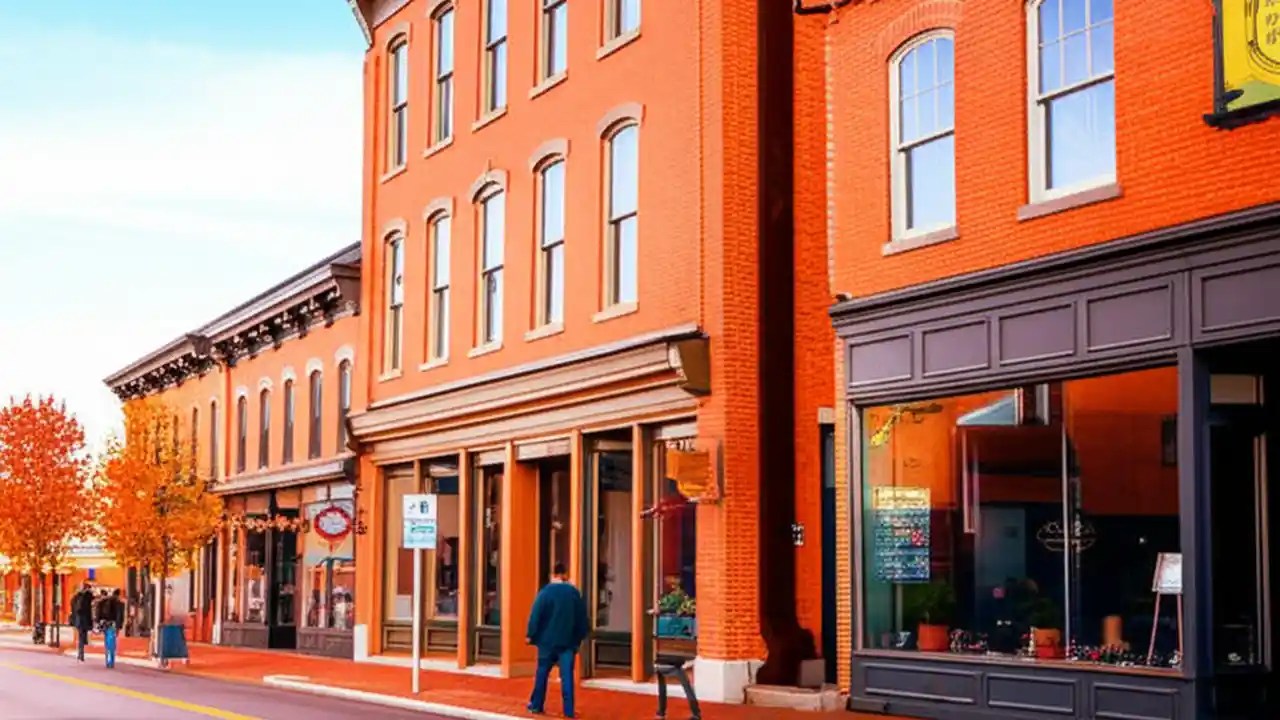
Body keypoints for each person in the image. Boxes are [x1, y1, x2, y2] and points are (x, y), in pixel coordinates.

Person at [525, 563, 588, 718]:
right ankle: (569, 710)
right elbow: (582, 618)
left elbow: (536, 615)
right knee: (567, 676)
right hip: (567, 642)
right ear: (565, 574)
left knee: (542, 673)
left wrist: (530, 634)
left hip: (546, 642)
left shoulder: (545, 593)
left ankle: (536, 705)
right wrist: (578, 639)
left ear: (552, 575)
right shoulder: (573, 593)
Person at [69, 582, 96, 662]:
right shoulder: (88, 596)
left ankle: (80, 653)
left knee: (81, 636)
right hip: (86, 619)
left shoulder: (76, 597)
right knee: (83, 635)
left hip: (78, 619)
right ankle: (82, 651)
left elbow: (72, 607)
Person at [98, 590, 124, 669]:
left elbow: (99, 613)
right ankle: (111, 661)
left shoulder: (104, 601)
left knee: (107, 643)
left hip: (105, 624)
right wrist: (118, 627)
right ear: (118, 595)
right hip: (113, 624)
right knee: (112, 644)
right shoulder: (119, 603)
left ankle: (107, 661)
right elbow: (120, 616)